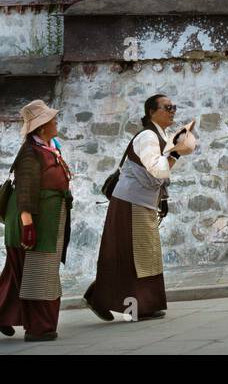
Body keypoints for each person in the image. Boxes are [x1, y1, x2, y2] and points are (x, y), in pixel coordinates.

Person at [84, 94, 196, 322]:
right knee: (132, 257)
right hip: (130, 203)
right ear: (152, 111)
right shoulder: (147, 136)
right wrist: (176, 151)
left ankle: (144, 305)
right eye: (167, 107)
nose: (172, 110)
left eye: (173, 107)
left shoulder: (160, 134)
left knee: (146, 255)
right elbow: (157, 170)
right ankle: (104, 299)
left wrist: (175, 150)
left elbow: (159, 173)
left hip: (141, 202)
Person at [0, 99, 73, 341]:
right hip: (32, 222)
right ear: (42, 127)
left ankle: (1, 315)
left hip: (49, 220)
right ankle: (38, 327)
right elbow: (25, 193)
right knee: (36, 274)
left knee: (17, 274)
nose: (56, 123)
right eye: (52, 120)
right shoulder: (30, 154)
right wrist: (28, 227)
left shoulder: (49, 146)